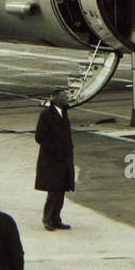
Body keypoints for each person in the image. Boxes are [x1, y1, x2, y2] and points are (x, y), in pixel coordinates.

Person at [34, 88, 74, 231]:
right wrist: (54, 150)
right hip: (52, 160)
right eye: (64, 96)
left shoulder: (63, 113)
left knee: (61, 189)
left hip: (64, 158)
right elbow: (39, 137)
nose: (67, 99)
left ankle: (56, 218)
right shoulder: (46, 114)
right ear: (56, 99)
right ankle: (48, 218)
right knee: (54, 191)